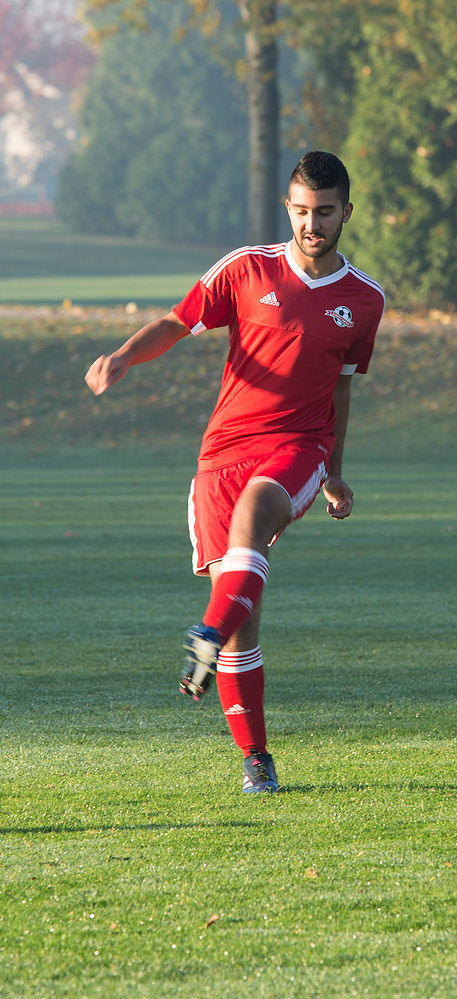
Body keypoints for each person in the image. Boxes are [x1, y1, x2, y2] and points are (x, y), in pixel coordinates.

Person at [85, 151, 385, 795]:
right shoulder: (247, 269)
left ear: (346, 214)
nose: (313, 224)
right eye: (302, 211)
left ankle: (205, 633)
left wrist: (333, 472)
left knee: (253, 524)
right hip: (222, 454)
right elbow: (176, 320)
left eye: (325, 213)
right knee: (244, 614)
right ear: (289, 208)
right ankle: (256, 758)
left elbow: (342, 389)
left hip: (298, 446)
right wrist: (124, 358)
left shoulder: (363, 301)